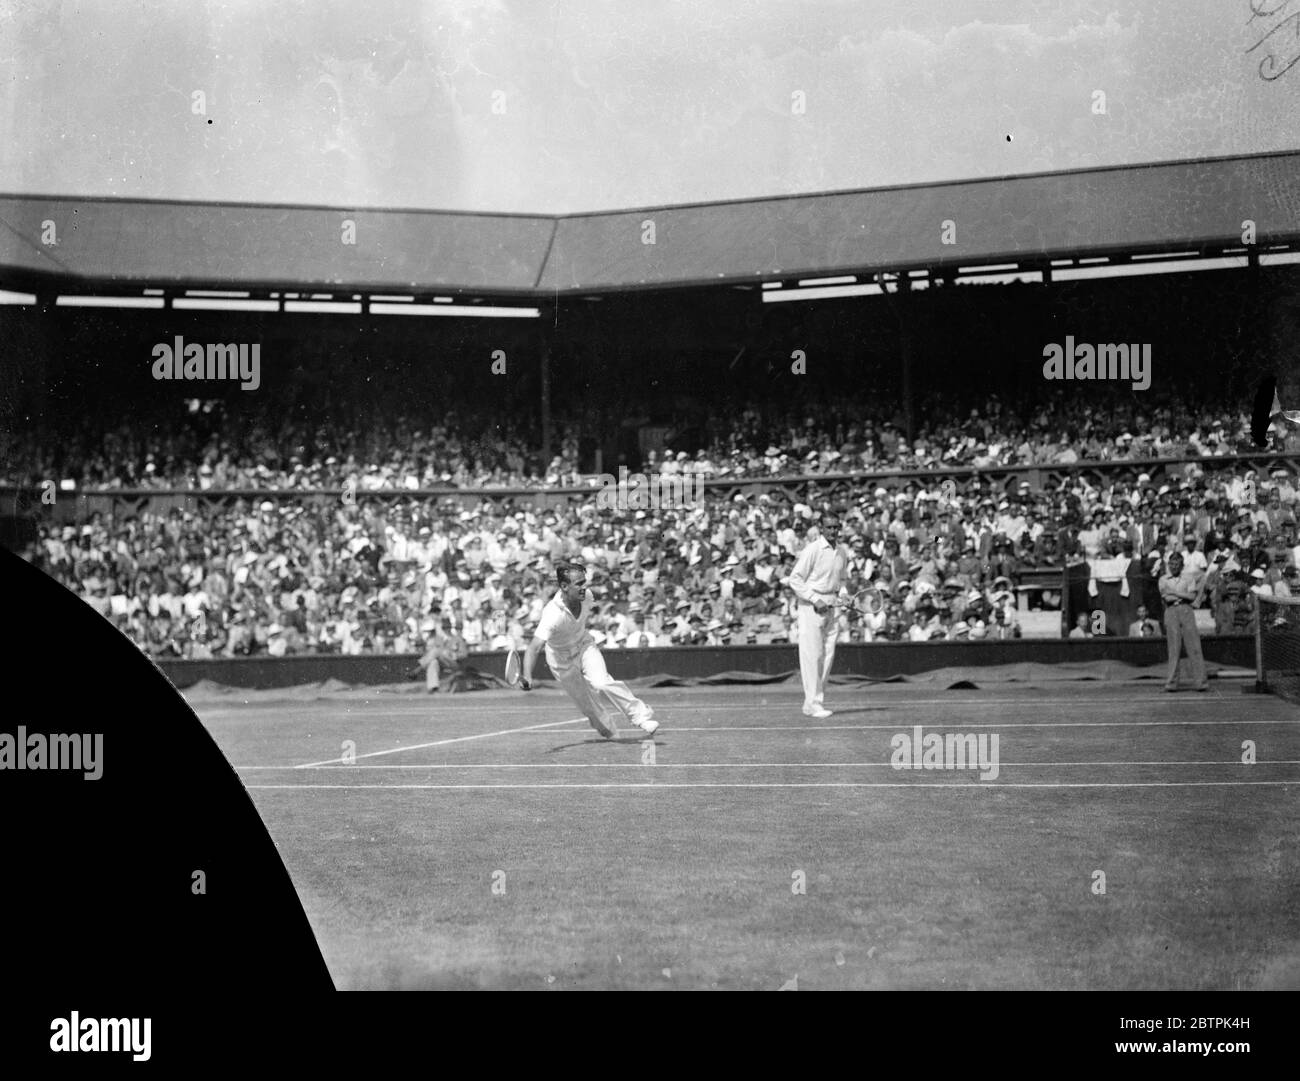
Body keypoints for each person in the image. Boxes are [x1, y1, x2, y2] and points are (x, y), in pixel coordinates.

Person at [520, 562, 658, 739]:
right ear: (564, 586)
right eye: (578, 584)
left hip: (585, 646)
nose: (584, 587)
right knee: (587, 704)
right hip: (560, 659)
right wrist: (528, 676)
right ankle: (610, 731)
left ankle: (641, 717)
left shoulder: (587, 596)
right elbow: (533, 647)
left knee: (602, 682)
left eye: (584, 582)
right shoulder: (552, 614)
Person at [788, 514, 848, 718]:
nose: (833, 531)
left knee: (827, 656)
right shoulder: (812, 549)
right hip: (811, 608)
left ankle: (814, 703)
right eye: (829, 527)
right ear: (821, 528)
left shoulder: (842, 551)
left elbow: (842, 580)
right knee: (812, 656)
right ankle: (812, 704)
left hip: (833, 607)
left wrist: (844, 596)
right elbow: (794, 579)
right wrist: (815, 599)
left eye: (836, 527)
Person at [1158, 552, 1209, 692]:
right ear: (1169, 564)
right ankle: (1171, 683)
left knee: (1194, 647)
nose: (1174, 567)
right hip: (1171, 612)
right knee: (1174, 648)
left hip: (1186, 611)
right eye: (1172, 564)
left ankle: (1201, 683)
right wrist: (1182, 595)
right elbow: (1166, 598)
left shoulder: (1189, 577)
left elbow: (1192, 596)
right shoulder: (1163, 579)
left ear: (1182, 566)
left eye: (1177, 564)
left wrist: (1175, 593)